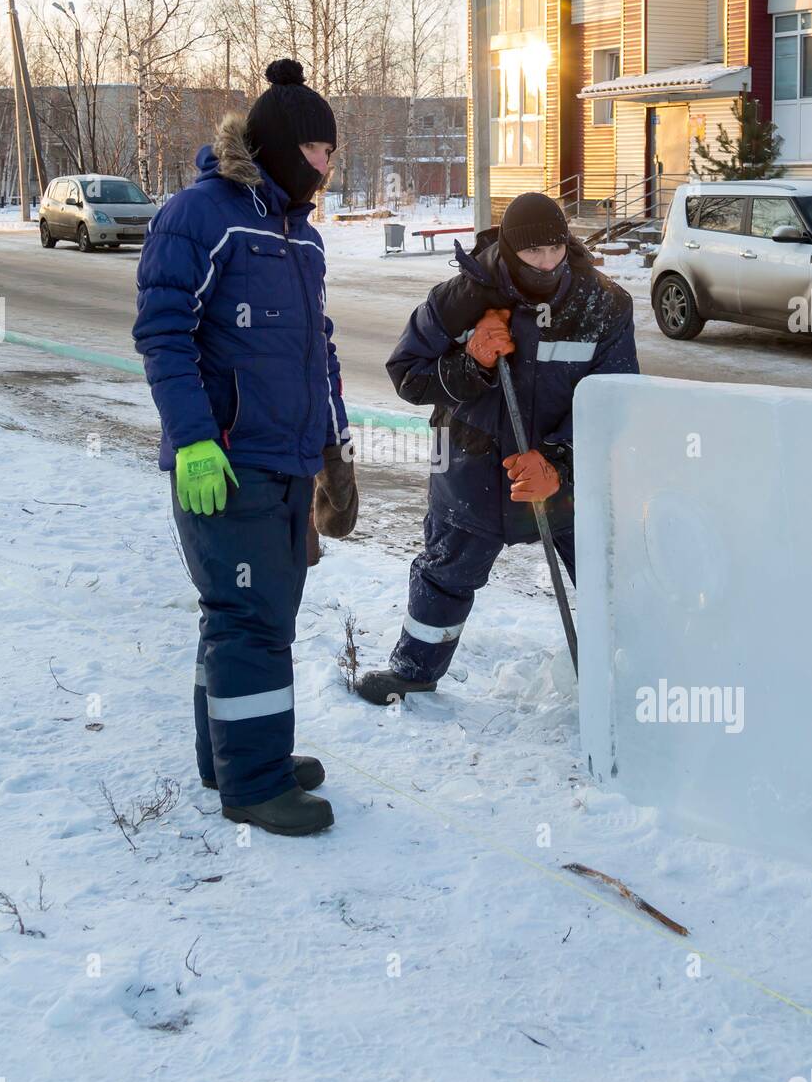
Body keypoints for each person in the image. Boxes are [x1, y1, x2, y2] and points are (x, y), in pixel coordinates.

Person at [133, 59, 357, 835]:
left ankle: (231, 752)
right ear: (289, 148)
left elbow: (316, 349)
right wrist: (194, 442)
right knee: (250, 620)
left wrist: (334, 451)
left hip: (288, 460)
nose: (330, 167)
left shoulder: (300, 236)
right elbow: (165, 334)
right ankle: (255, 783)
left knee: (246, 616)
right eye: (322, 152)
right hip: (229, 463)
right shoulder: (201, 215)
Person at [356, 192, 639, 706]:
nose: (547, 263)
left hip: (563, 485)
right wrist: (470, 362)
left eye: (556, 249)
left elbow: (617, 399)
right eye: (533, 254)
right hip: (472, 473)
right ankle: (414, 670)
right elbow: (407, 375)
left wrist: (561, 462)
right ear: (509, 251)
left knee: (610, 580)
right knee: (443, 577)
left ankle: (632, 675)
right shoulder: (461, 298)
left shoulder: (602, 304)